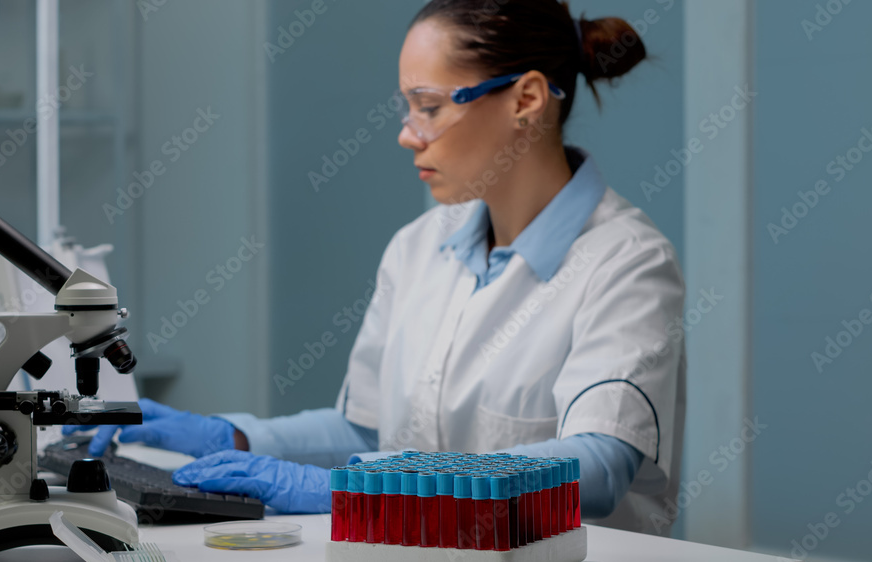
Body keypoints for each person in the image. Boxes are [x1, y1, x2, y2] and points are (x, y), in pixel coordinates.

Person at [66, 0, 686, 535]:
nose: (407, 135)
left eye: (429, 106)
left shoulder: (626, 262)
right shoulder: (419, 246)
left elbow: (596, 469)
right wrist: (231, 437)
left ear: (525, 99)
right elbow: (369, 433)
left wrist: (357, 488)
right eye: (406, 107)